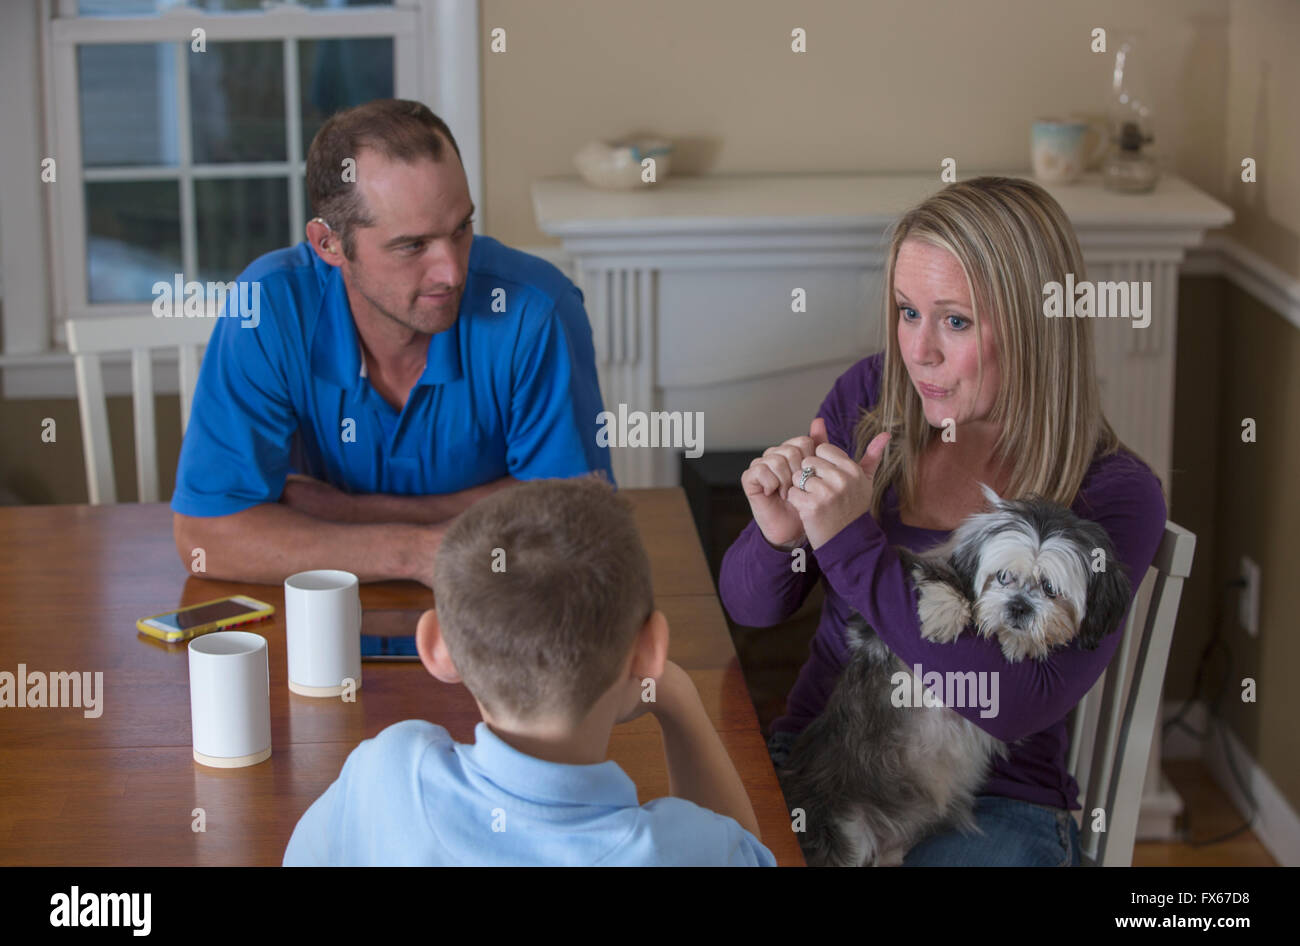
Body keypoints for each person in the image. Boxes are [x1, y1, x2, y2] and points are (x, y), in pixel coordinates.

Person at [718, 176, 1168, 866]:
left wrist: (852, 545)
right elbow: (748, 607)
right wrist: (780, 537)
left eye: (954, 321)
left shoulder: (1113, 493)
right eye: (907, 312)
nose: (918, 351)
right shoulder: (872, 401)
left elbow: (1014, 702)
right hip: (829, 764)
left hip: (995, 804)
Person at [171, 99, 611, 590]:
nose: (452, 271)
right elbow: (206, 536)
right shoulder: (268, 309)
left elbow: (578, 520)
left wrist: (349, 513)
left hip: (497, 609)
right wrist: (417, 551)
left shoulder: (535, 309)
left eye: (461, 228)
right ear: (329, 245)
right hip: (323, 628)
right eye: (413, 246)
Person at [283, 476, 777, 866]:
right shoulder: (677, 850)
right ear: (649, 651)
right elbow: (743, 853)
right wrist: (677, 698)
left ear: (437, 646)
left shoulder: (386, 774)